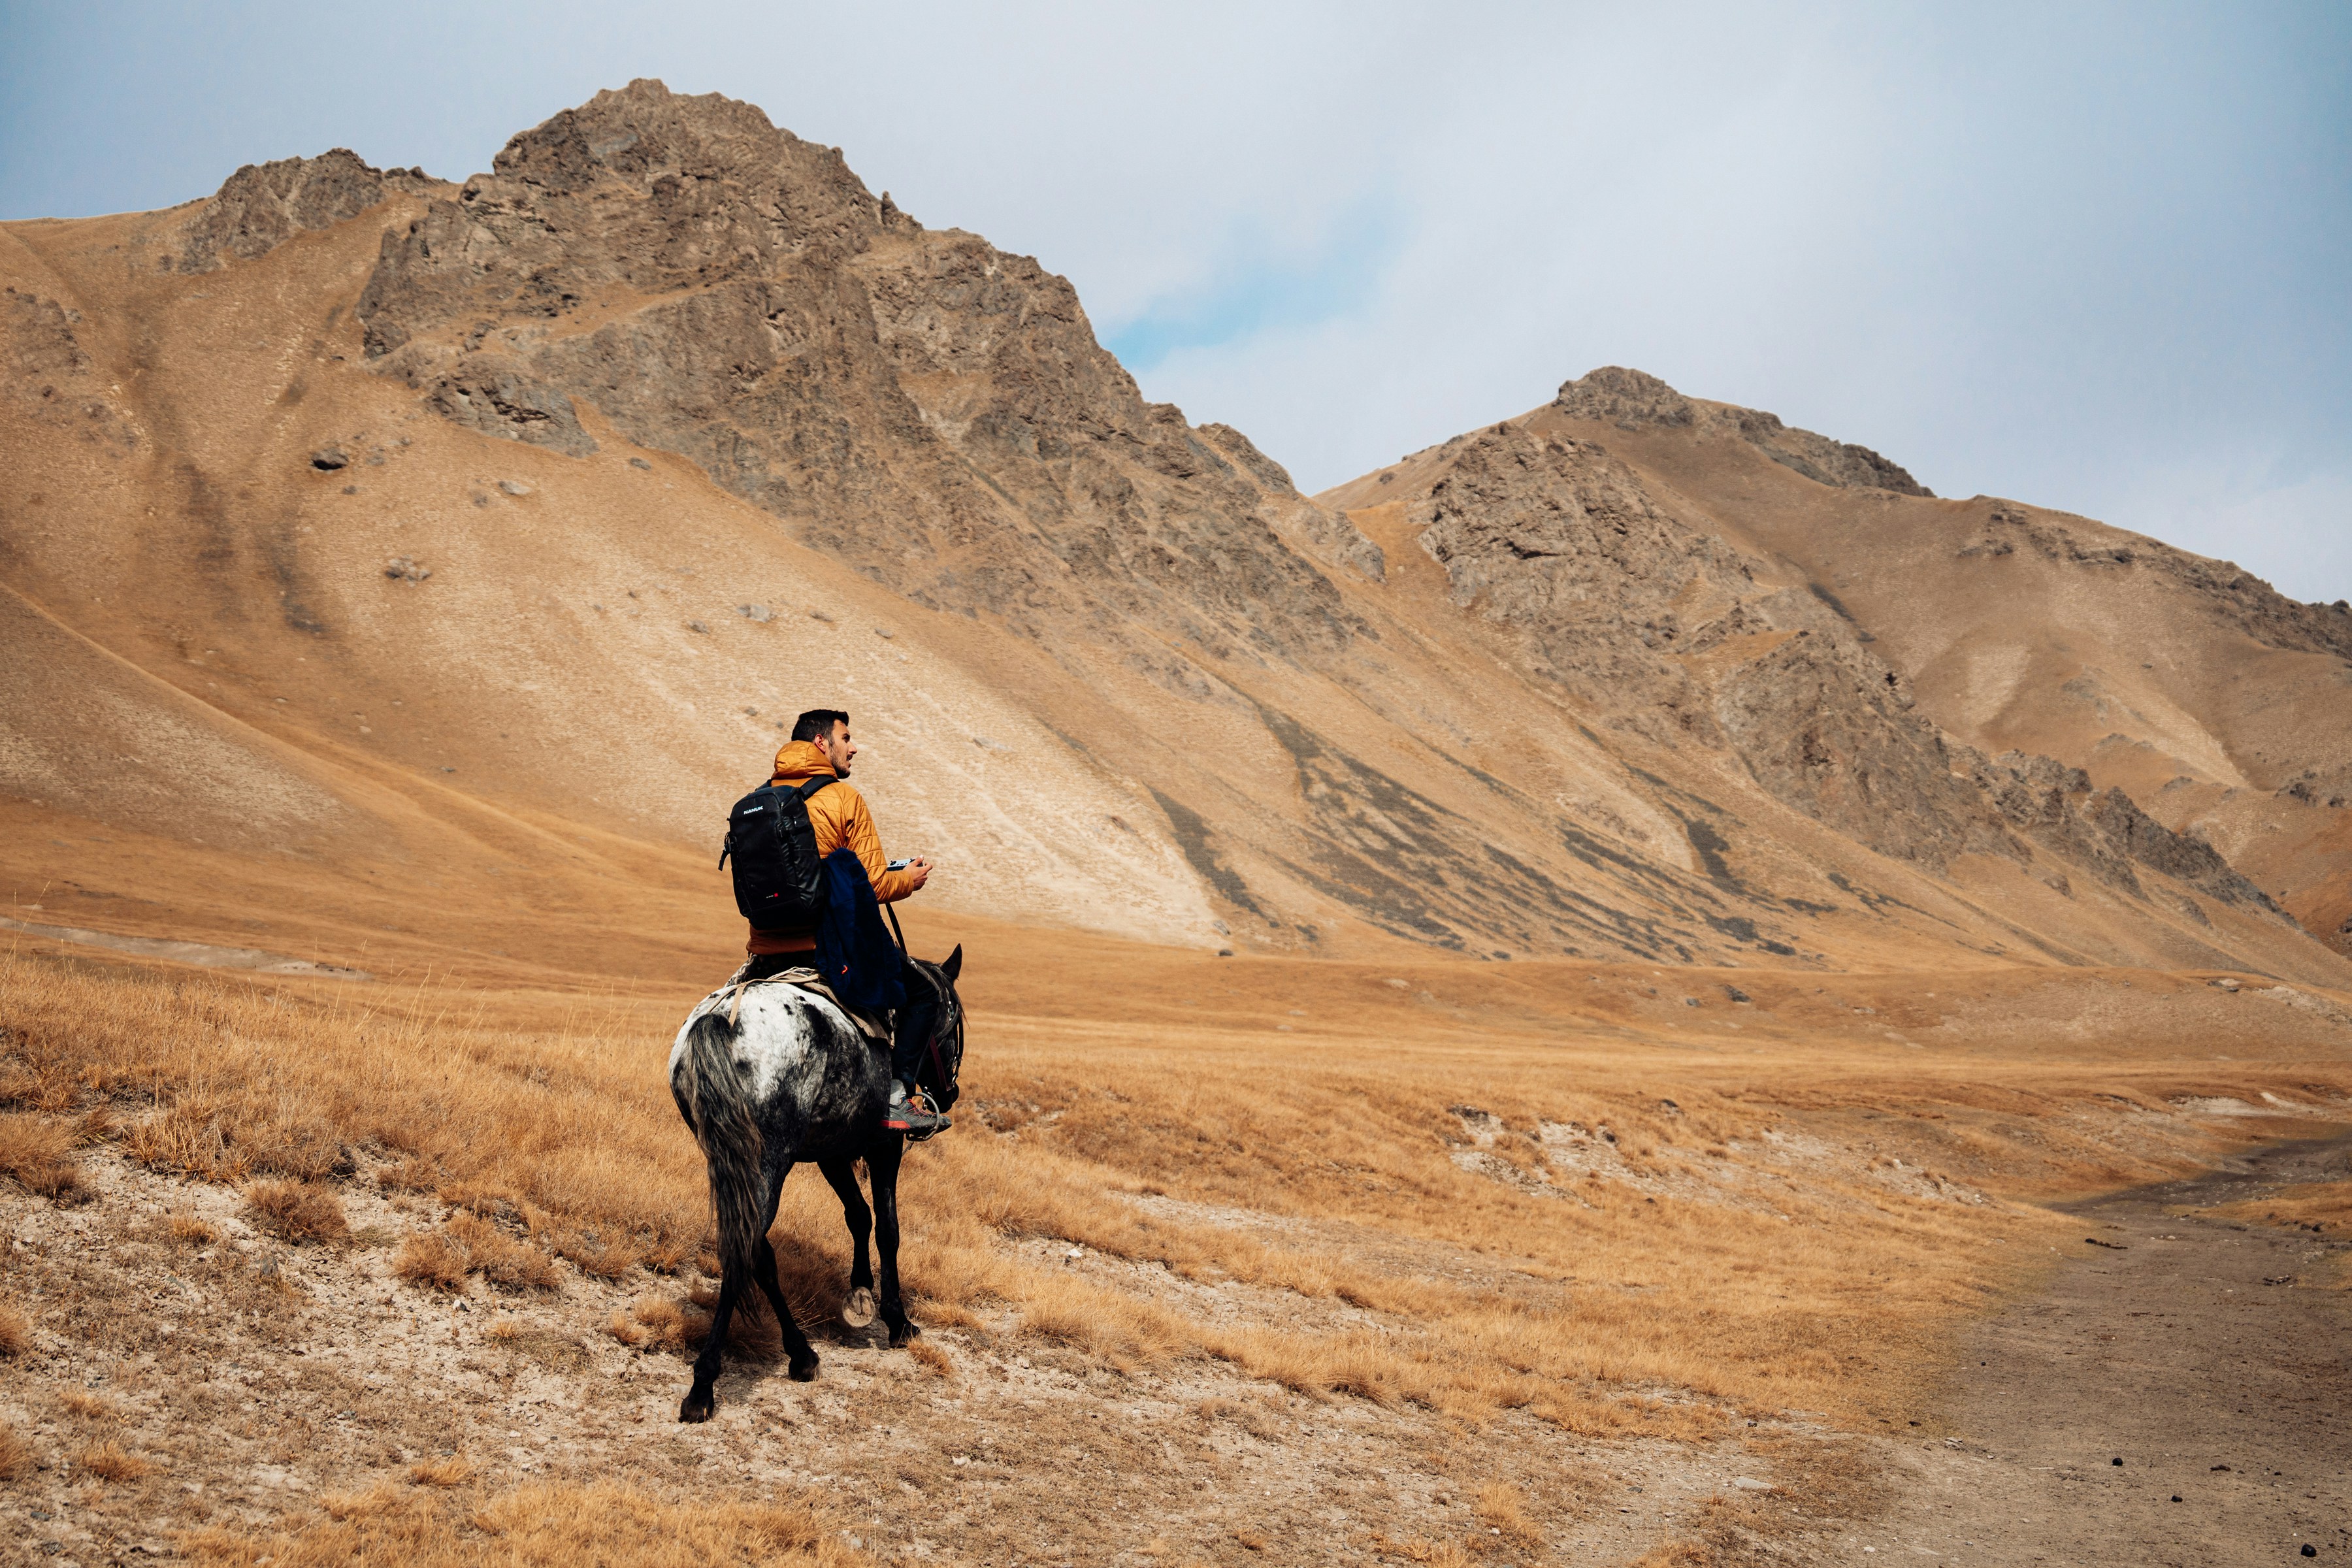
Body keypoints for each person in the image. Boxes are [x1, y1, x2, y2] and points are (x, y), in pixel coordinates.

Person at [738, 708, 948, 1137]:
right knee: (925, 993)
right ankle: (897, 1096)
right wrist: (908, 880)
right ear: (821, 743)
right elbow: (875, 884)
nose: (854, 748)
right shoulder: (842, 798)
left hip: (765, 948)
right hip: (826, 945)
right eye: (846, 738)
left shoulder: (760, 799)